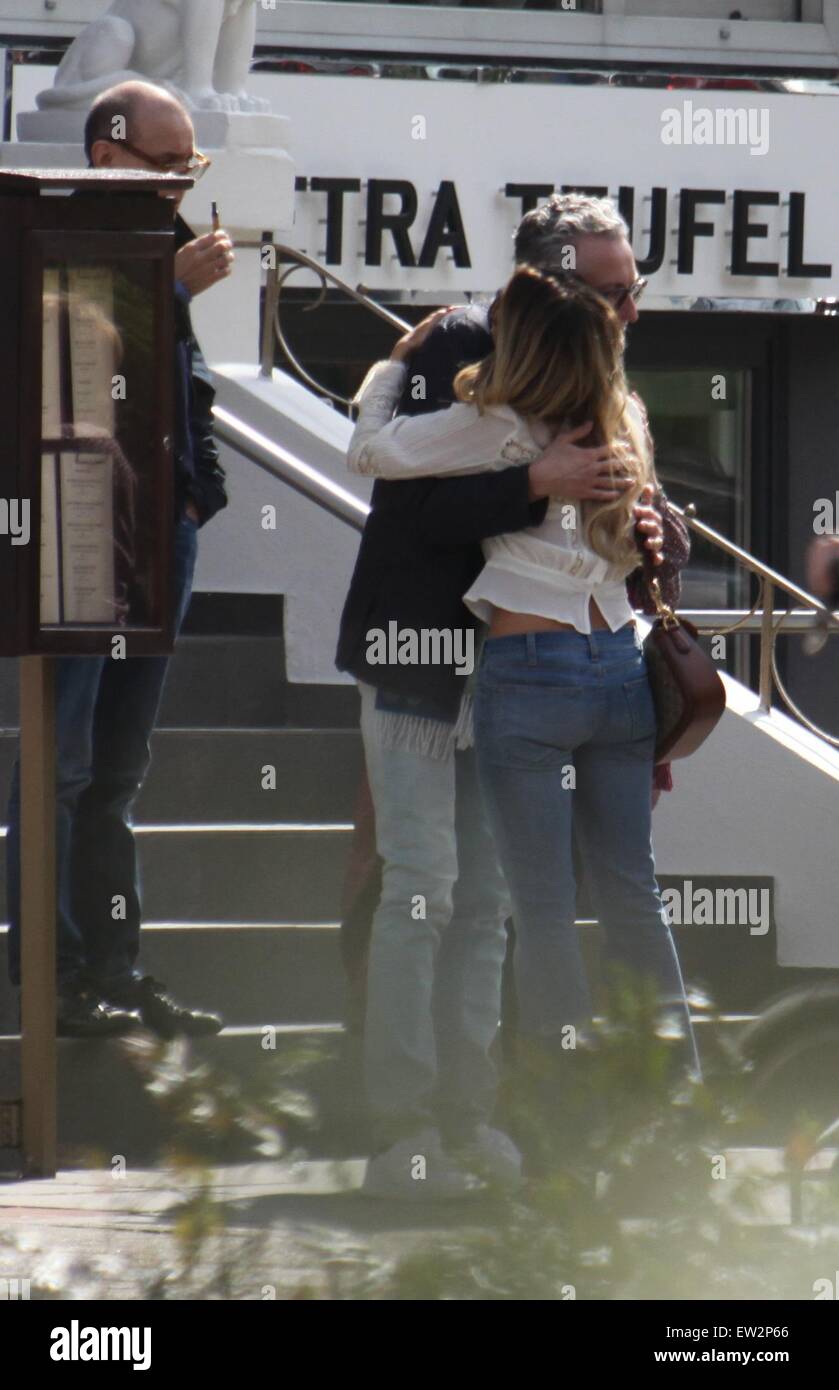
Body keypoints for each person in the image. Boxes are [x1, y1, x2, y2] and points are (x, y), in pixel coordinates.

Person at [336, 194, 690, 1197]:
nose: (629, 310)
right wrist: (537, 478)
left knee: (485, 904)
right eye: (613, 290)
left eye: (634, 289)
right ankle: (401, 1136)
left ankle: (469, 1122)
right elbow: (404, 507)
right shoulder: (455, 341)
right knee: (421, 889)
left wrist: (655, 537)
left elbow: (621, 520)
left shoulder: (592, 379)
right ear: (552, 284)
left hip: (514, 679)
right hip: (417, 664)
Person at [6, 81, 233, 1037]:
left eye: (192, 167)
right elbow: (74, 367)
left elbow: (190, 394)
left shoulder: (152, 249)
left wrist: (197, 493)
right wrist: (171, 289)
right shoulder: (51, 239)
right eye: (168, 164)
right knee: (63, 764)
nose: (182, 183)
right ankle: (52, 971)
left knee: (117, 770)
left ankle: (111, 966)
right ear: (107, 153)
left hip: (152, 533)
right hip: (81, 527)